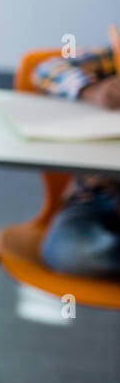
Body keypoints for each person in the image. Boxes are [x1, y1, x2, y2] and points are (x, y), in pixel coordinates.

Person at [31, 44, 120, 279]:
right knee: (70, 251)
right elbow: (46, 69)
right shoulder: (112, 60)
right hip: (99, 198)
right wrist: (92, 90)